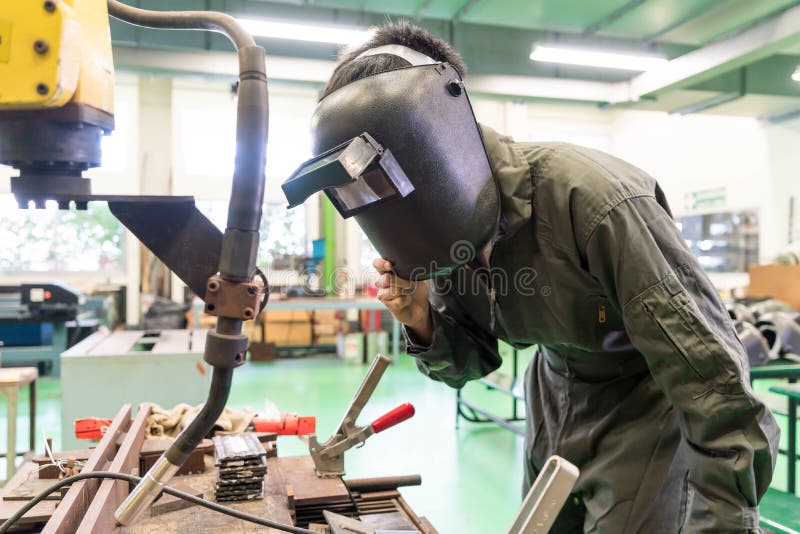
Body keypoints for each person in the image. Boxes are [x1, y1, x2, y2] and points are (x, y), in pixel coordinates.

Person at [317, 22, 780, 533]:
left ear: (437, 131)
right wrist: (420, 317)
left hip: (646, 402)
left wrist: (724, 523)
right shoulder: (446, 224)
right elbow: (472, 359)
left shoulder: (596, 200)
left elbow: (714, 385)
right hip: (554, 392)